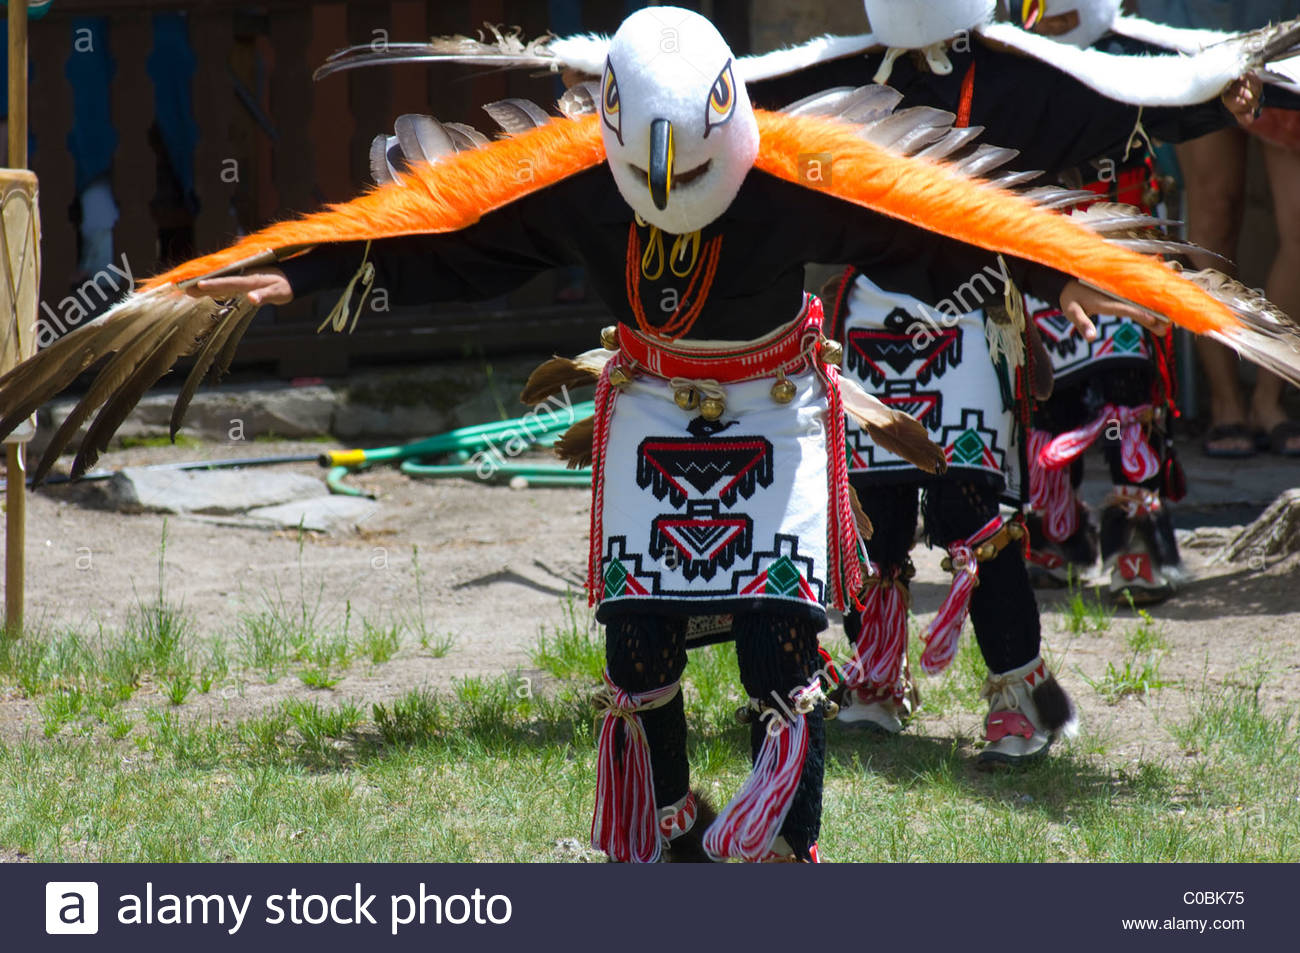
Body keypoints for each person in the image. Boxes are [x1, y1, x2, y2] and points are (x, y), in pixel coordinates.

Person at [0, 6, 1268, 862]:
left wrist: (1078, 277)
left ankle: (777, 856)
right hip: (650, 401)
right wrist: (300, 279)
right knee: (639, 638)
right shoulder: (564, 181)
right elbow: (450, 247)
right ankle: (663, 836)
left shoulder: (799, 170)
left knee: (782, 654)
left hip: (777, 405)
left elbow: (948, 229)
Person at [1139, 0, 1300, 457]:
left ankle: (1271, 396)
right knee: (1213, 211)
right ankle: (1224, 401)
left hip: (1284, 24)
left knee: (1298, 225)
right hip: (1189, 22)